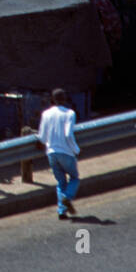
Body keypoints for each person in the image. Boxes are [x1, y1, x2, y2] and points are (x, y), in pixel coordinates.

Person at [36, 89, 81, 220]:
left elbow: (42, 137)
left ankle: (62, 211)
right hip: (66, 152)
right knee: (74, 178)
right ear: (65, 99)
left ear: (52, 99)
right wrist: (76, 150)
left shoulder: (46, 114)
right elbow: (68, 134)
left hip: (51, 153)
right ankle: (67, 198)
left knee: (61, 181)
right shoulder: (70, 113)